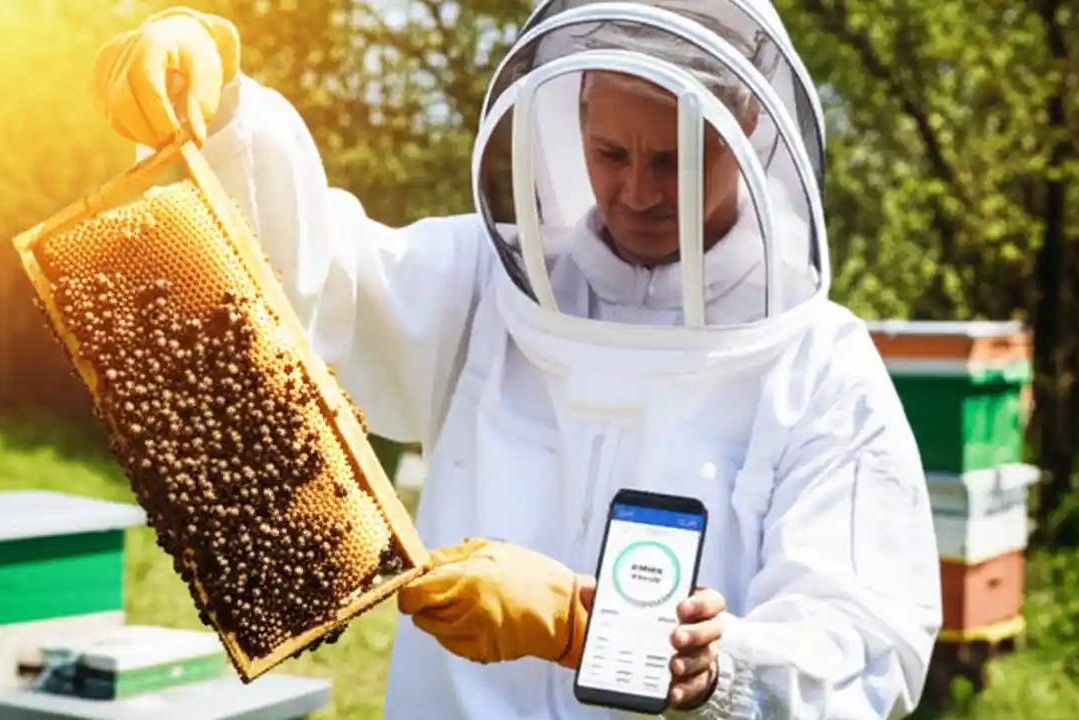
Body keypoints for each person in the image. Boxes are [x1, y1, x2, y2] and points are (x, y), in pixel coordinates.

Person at [93, 1, 943, 718]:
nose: (640, 192)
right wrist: (227, 104)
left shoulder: (817, 367)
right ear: (574, 121)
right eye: (613, 154)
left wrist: (599, 629)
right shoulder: (485, 288)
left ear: (748, 128)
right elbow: (310, 280)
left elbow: (863, 648)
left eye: (674, 160)